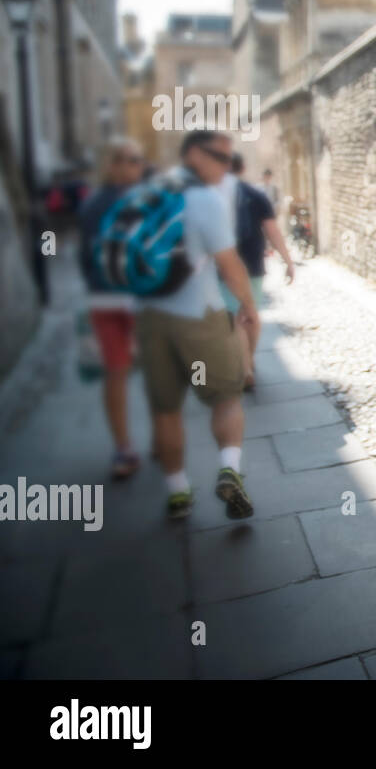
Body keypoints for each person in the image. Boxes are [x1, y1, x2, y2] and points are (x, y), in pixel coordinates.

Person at [135, 129, 259, 520]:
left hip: (151, 318)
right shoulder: (203, 199)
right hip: (199, 317)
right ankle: (230, 470)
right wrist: (248, 305)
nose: (224, 166)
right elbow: (229, 264)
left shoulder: (146, 192)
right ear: (192, 153)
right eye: (216, 157)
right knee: (225, 396)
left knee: (165, 409)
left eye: (228, 158)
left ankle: (177, 493)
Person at [77, 137, 145, 478]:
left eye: (137, 160)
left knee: (118, 373)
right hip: (132, 300)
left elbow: (84, 257)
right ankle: (130, 446)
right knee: (130, 371)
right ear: (112, 164)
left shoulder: (91, 204)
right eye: (130, 160)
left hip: (106, 296)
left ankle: (127, 447)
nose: (136, 166)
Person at [220, 152, 294, 388]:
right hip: (252, 263)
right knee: (251, 313)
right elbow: (272, 231)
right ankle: (249, 358)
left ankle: (244, 368)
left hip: (225, 264)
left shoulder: (213, 197)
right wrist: (288, 261)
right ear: (242, 169)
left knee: (235, 316)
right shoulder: (255, 195)